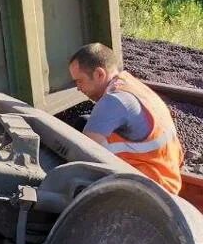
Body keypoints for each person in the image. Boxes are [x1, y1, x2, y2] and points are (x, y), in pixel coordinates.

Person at [68, 42, 184, 194]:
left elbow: (85, 154)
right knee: (83, 121)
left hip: (149, 191)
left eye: (79, 81)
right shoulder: (129, 84)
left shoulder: (113, 101)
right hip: (166, 177)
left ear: (99, 74)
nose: (78, 88)